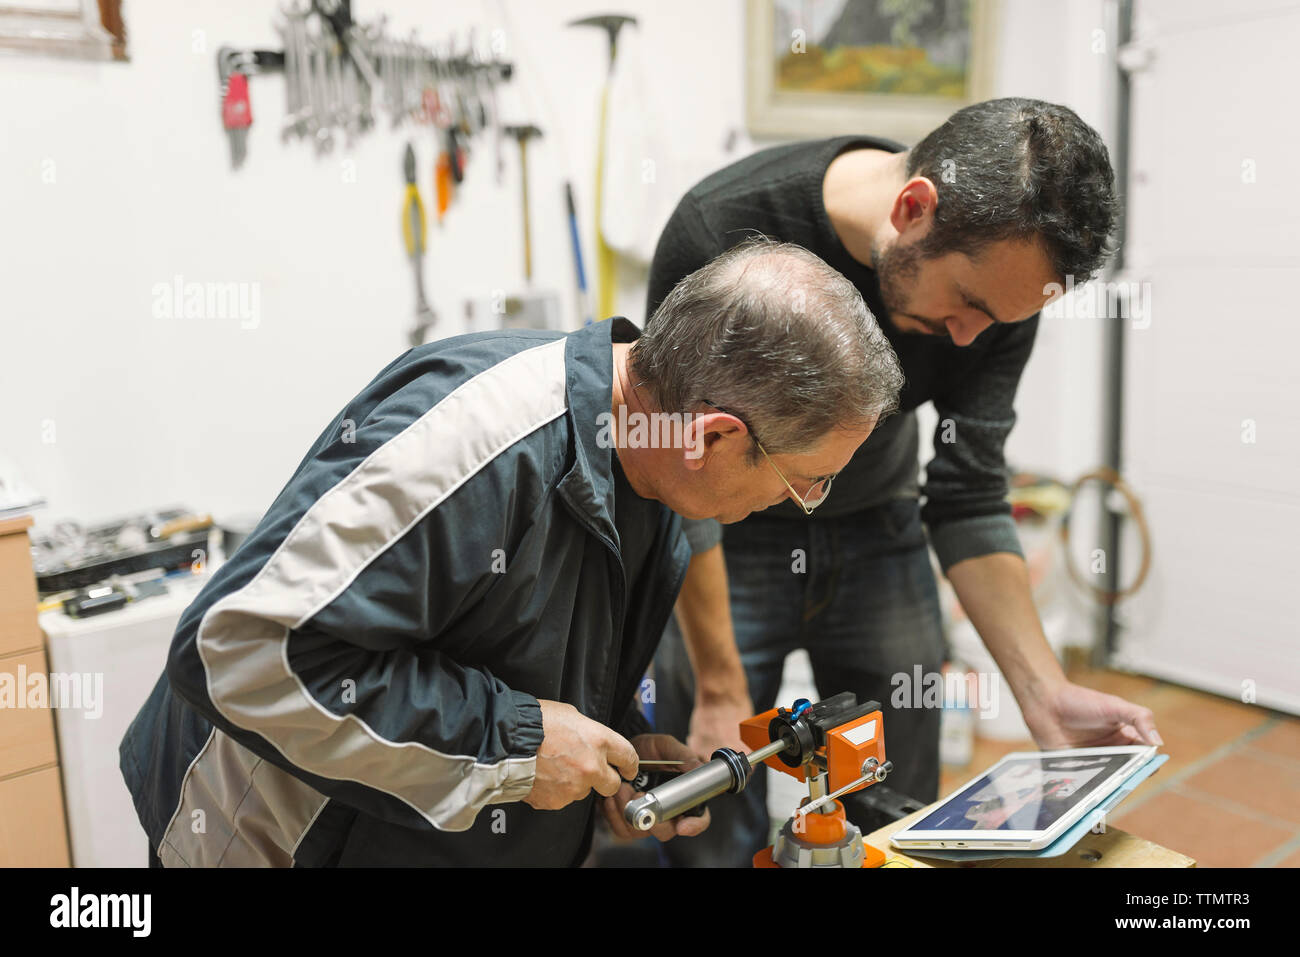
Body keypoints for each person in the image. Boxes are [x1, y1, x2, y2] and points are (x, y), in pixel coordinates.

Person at [119, 238, 903, 867]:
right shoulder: (476, 442)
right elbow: (240, 653)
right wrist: (519, 744)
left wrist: (612, 747)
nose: (798, 508)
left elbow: (504, 647)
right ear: (716, 438)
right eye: (807, 483)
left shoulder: (651, 470)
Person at [648, 97, 1165, 867]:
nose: (969, 338)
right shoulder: (719, 227)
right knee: (715, 803)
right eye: (967, 305)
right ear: (914, 207)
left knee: (898, 805)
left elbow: (968, 487)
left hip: (878, 530)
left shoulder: (1003, 284)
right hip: (727, 532)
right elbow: (676, 467)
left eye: (998, 320)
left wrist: (1042, 691)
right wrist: (721, 685)